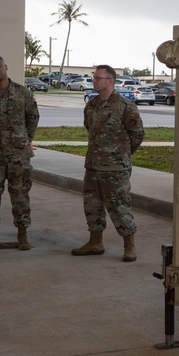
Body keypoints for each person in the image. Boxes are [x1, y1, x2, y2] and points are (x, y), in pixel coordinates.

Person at [71, 64, 144, 261]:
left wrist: (122, 155)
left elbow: (137, 135)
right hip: (93, 166)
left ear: (110, 81)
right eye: (94, 78)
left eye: (97, 78)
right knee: (92, 206)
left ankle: (129, 246)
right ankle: (95, 242)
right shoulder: (91, 106)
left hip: (116, 168)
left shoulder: (125, 106)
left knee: (119, 207)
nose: (93, 81)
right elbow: (90, 129)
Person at [0, 55, 39, 253]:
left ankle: (22, 233)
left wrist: (24, 139)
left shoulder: (22, 93)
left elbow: (33, 116)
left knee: (20, 195)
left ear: (6, 67)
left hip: (19, 155)